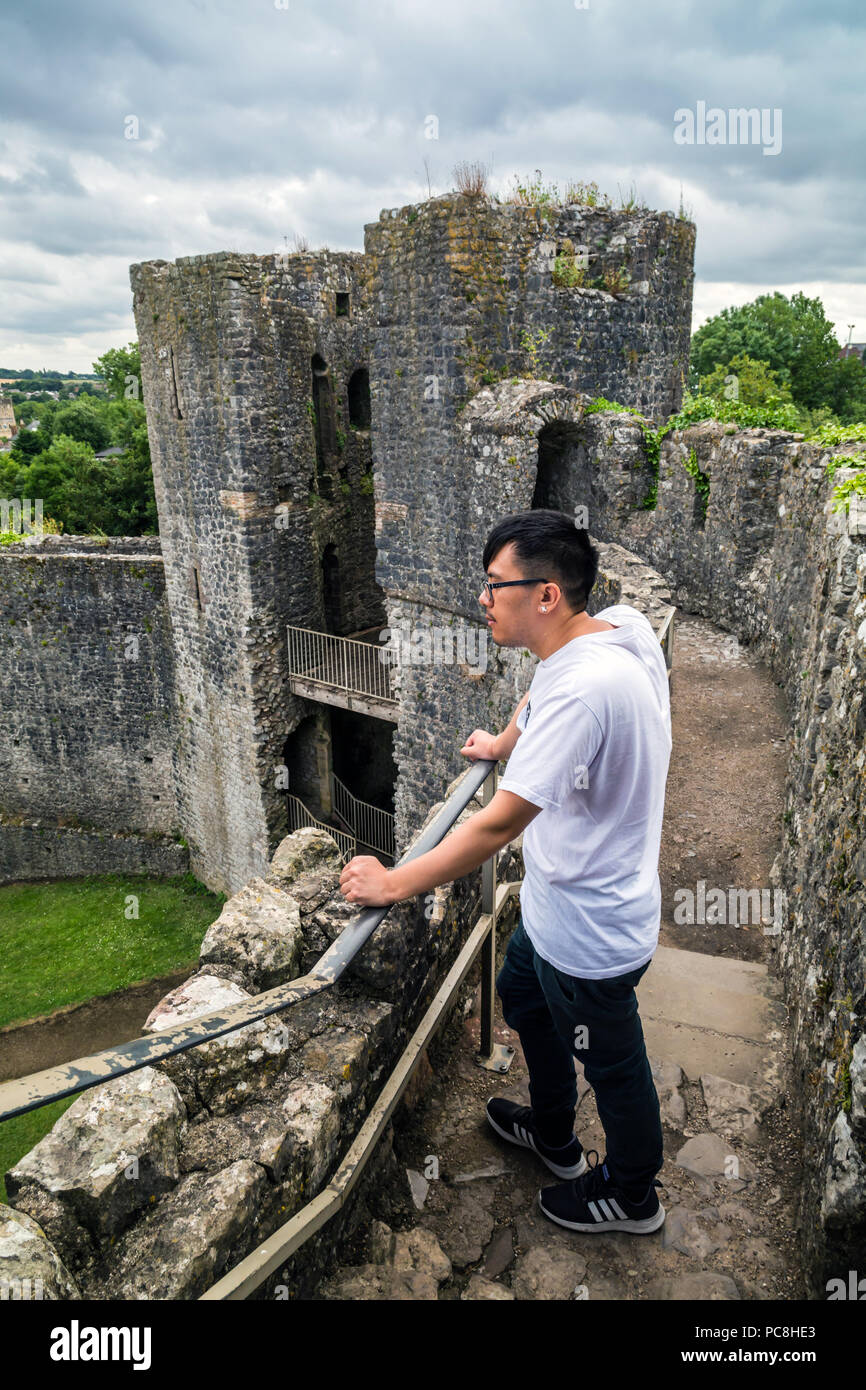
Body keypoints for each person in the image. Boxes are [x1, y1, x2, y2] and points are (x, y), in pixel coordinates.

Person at [339, 508, 672, 1235]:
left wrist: (397, 883)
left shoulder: (586, 693)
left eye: (496, 585)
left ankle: (632, 1192)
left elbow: (498, 824)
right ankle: (553, 1132)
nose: (482, 600)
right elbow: (543, 686)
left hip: (591, 935)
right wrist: (505, 738)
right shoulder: (616, 630)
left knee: (614, 1067)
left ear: (546, 594)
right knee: (519, 992)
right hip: (558, 916)